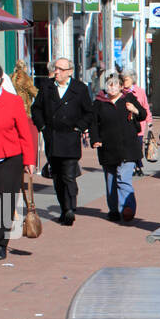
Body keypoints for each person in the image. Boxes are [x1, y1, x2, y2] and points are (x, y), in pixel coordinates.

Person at [0, 58, 37, 260]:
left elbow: (25, 134)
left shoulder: (13, 102)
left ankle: (1, 243)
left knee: (3, 200)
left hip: (9, 159)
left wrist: (30, 160)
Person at [30, 56, 93, 225]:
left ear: (70, 72)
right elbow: (36, 109)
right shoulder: (47, 87)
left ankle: (70, 208)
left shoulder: (79, 89)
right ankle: (64, 207)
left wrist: (79, 128)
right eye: (55, 68)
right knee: (57, 176)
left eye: (61, 69)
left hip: (70, 138)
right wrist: (42, 127)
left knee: (68, 175)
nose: (56, 72)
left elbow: (89, 112)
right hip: (52, 138)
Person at [89, 72, 145, 222]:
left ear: (121, 86)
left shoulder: (128, 98)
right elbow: (93, 123)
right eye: (109, 84)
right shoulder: (99, 102)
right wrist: (95, 139)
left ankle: (127, 208)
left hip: (128, 147)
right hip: (108, 147)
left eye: (115, 84)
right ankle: (113, 210)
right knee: (111, 179)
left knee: (123, 178)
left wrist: (135, 110)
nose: (111, 87)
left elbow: (143, 114)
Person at [120, 69, 152, 174]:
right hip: (126, 124)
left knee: (138, 145)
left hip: (139, 124)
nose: (125, 81)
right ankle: (135, 166)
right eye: (123, 79)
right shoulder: (121, 92)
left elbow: (145, 107)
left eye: (127, 79)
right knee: (130, 145)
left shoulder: (140, 91)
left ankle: (137, 165)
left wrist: (149, 121)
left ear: (132, 79)